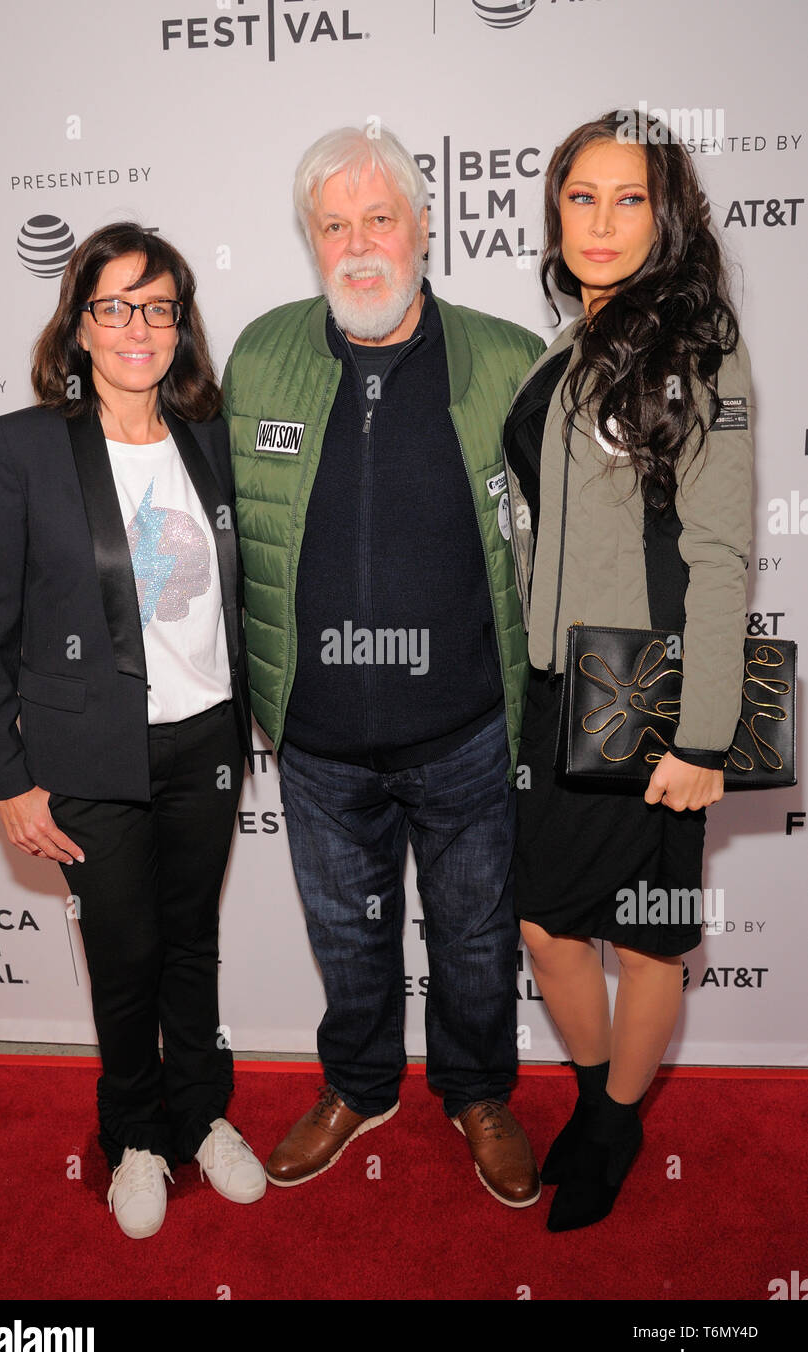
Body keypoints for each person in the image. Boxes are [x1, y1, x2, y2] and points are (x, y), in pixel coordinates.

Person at [222, 125, 546, 1207]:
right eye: (333, 226)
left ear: (420, 226)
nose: (359, 245)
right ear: (309, 242)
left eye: (379, 219)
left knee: (471, 936)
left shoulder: (504, 356)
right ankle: (358, 1084)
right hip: (316, 744)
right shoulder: (261, 354)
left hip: (465, 731)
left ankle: (477, 1091)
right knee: (347, 941)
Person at [0, 222, 265, 1238]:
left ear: (181, 326)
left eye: (159, 307)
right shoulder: (19, 448)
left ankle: (201, 1113)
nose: (138, 326)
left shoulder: (210, 438)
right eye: (115, 305)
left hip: (209, 742)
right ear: (80, 324)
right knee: (125, 952)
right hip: (92, 753)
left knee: (193, 946)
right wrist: (6, 779)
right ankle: (134, 1134)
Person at [504, 111, 753, 1231]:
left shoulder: (698, 344)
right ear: (555, 212)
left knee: (648, 925)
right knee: (549, 924)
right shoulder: (566, 342)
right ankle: (601, 1090)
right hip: (561, 684)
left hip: (649, 688)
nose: (600, 222)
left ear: (667, 213)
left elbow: (716, 549)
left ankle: (613, 1117)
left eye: (628, 198)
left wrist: (702, 737)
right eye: (579, 197)